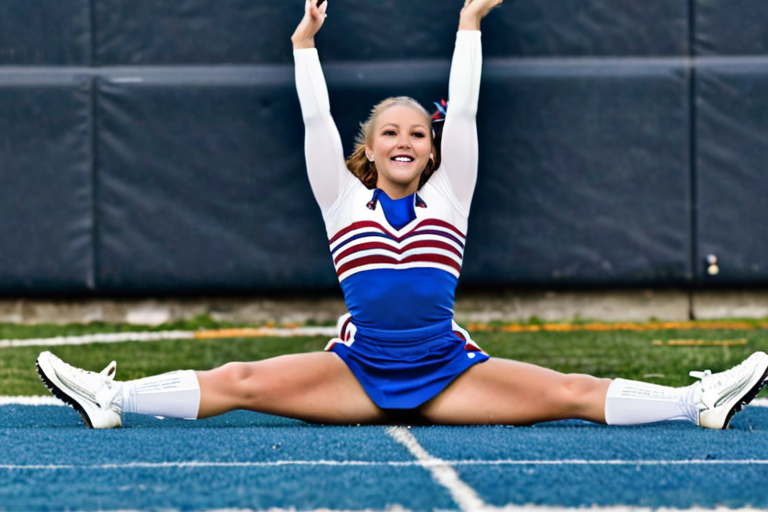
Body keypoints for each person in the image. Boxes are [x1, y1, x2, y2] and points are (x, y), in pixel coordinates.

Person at [36, 0, 768, 430]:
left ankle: (697, 401)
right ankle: (110, 396)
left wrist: (469, 24)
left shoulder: (451, 198)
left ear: (430, 148)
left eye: (419, 132)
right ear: (370, 148)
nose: (406, 139)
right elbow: (315, 118)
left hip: (449, 372)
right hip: (356, 372)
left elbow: (469, 106)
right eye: (391, 131)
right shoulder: (341, 199)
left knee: (571, 392)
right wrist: (302, 45)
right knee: (243, 378)